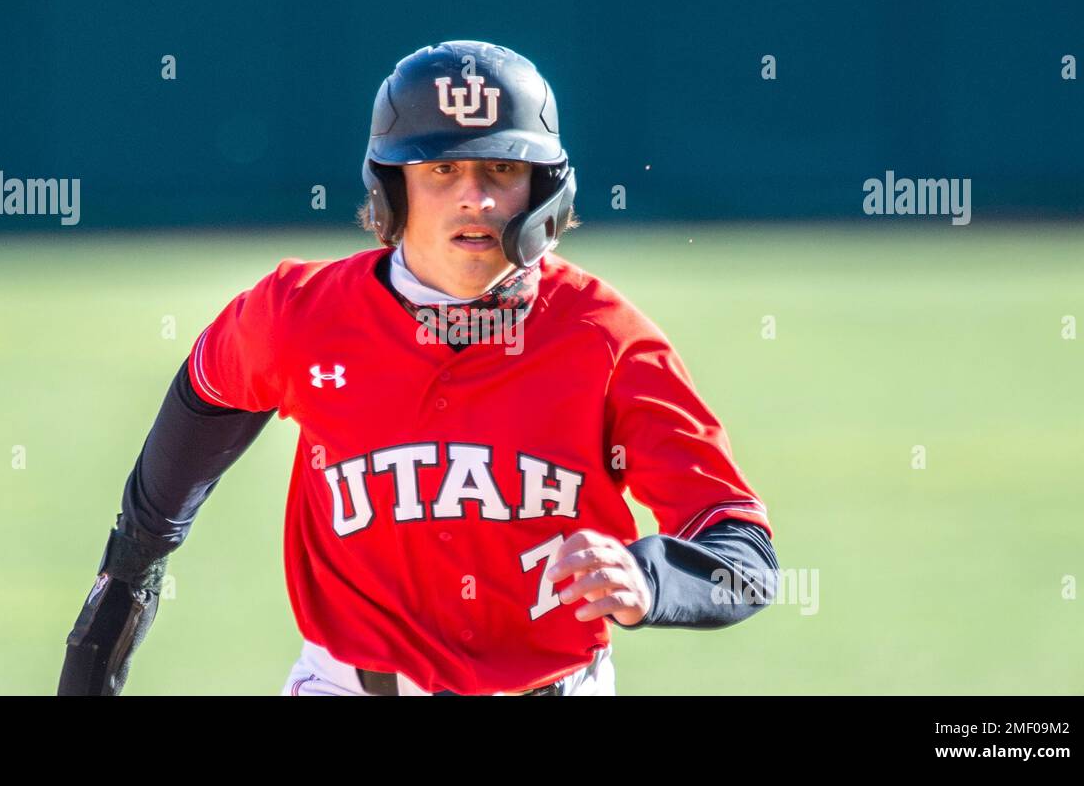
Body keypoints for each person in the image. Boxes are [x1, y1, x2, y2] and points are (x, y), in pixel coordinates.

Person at [57, 40, 779, 697]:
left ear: (546, 193)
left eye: (502, 167)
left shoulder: (605, 339)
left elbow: (744, 552)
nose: (475, 195)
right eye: (441, 168)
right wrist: (131, 569)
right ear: (391, 192)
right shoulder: (299, 316)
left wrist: (652, 578)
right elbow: (207, 400)